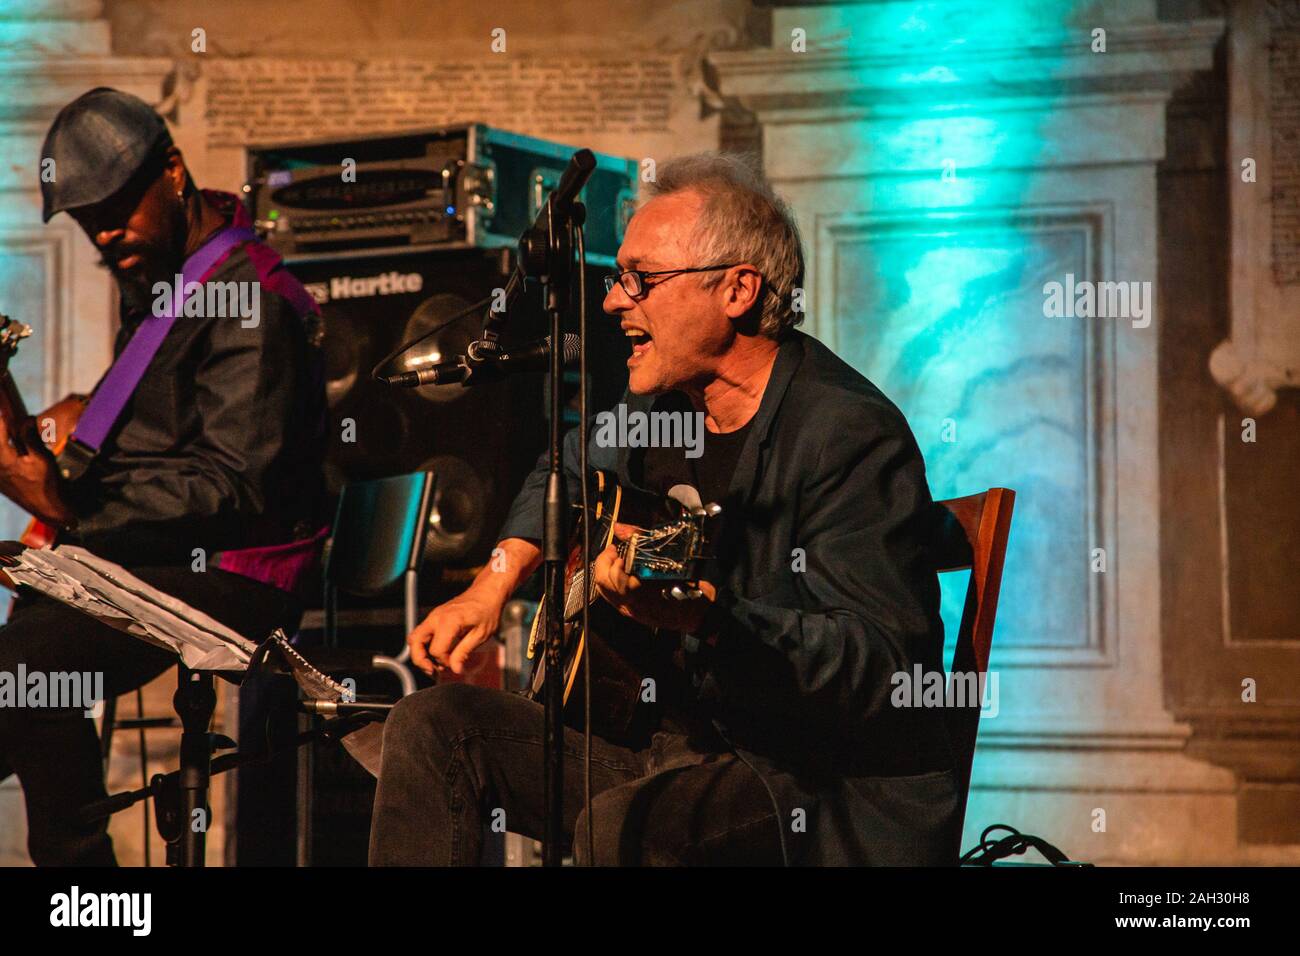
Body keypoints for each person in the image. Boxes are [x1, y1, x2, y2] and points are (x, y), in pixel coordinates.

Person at [368, 152, 961, 866]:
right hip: (673, 746)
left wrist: (712, 621)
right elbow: (565, 470)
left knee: (620, 826)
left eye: (640, 280)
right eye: (620, 278)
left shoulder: (844, 433)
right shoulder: (659, 408)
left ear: (738, 290)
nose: (615, 300)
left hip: (811, 785)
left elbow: (881, 666)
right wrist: (491, 585)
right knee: (434, 726)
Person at [0, 88, 327, 866]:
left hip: (235, 572)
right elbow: (163, 443)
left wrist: (74, 504)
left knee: (21, 674)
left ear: (173, 173)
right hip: (155, 552)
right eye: (86, 222)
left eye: (116, 209)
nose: (106, 234)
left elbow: (233, 484)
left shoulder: (251, 297)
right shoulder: (164, 281)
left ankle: (85, 888)